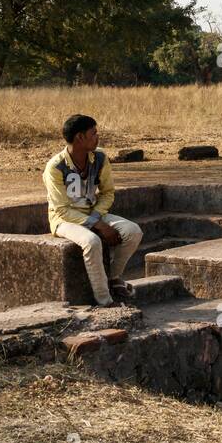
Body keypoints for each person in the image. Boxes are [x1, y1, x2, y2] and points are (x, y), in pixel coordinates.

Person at [44, 114, 142, 306]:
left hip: (93, 212)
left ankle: (113, 278)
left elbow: (107, 193)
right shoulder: (55, 167)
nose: (98, 137)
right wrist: (97, 225)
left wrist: (97, 217)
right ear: (80, 137)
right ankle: (105, 300)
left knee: (133, 231)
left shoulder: (99, 158)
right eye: (94, 133)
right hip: (64, 220)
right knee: (91, 241)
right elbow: (62, 210)